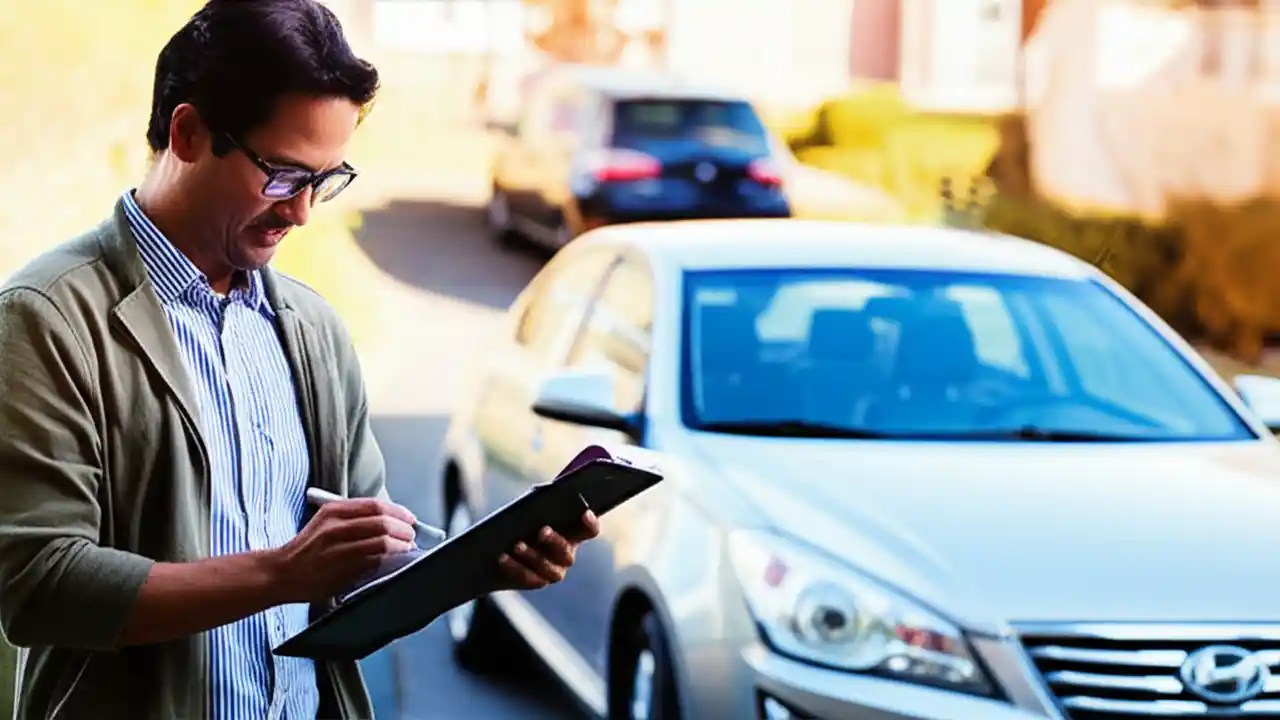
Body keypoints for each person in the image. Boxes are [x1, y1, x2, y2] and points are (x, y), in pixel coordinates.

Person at [0, 1, 600, 718]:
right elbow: (36, 586)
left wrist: (479, 568)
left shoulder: (313, 328)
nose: (304, 211)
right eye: (283, 174)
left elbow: (358, 571)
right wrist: (280, 574)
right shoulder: (45, 317)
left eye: (326, 178)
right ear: (188, 133)